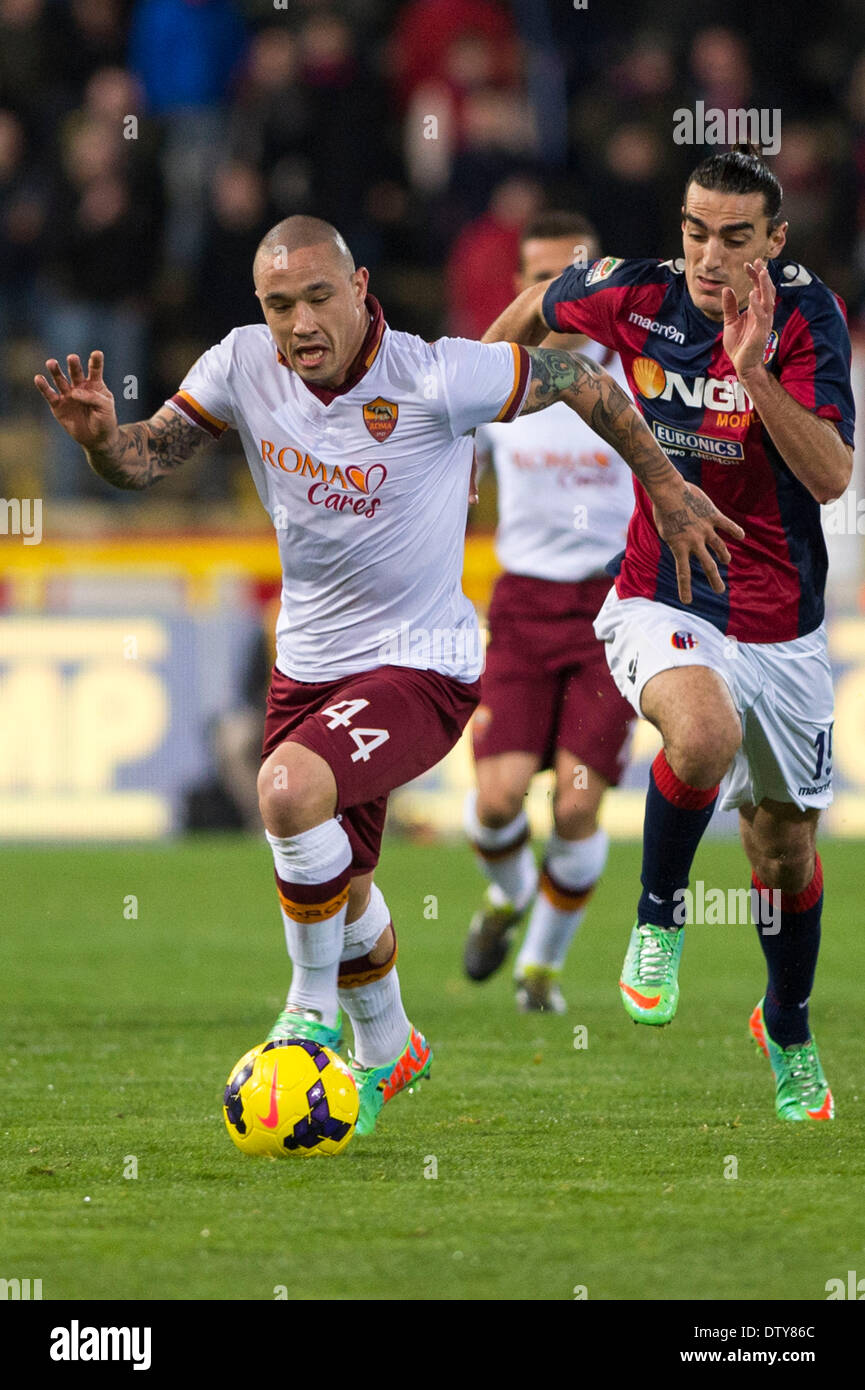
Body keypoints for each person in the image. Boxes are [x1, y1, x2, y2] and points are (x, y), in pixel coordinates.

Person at [35, 215, 739, 1136]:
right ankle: (393, 1041)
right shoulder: (240, 364)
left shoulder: (436, 373)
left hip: (422, 665)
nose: (300, 323)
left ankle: (306, 1012)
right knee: (343, 883)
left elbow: (577, 379)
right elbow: (144, 458)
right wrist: (98, 442)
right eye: (280, 304)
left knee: (286, 793)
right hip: (306, 669)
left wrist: (667, 487)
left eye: (318, 297)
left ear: (362, 288)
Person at [481, 149, 855, 1122]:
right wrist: (461, 408)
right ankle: (657, 916)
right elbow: (536, 311)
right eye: (694, 231)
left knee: (781, 853)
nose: (708, 255)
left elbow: (829, 478)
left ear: (773, 242)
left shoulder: (809, 319)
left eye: (735, 238)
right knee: (701, 736)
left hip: (780, 623)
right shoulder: (632, 296)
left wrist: (751, 378)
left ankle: (785, 1021)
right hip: (661, 590)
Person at [463, 211, 637, 1014]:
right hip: (523, 603)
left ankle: (538, 970)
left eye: (567, 277)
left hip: (611, 610)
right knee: (495, 801)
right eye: (536, 278)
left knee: (574, 804)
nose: (551, 295)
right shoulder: (491, 382)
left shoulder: (639, 376)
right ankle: (504, 900)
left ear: (593, 285)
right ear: (517, 288)